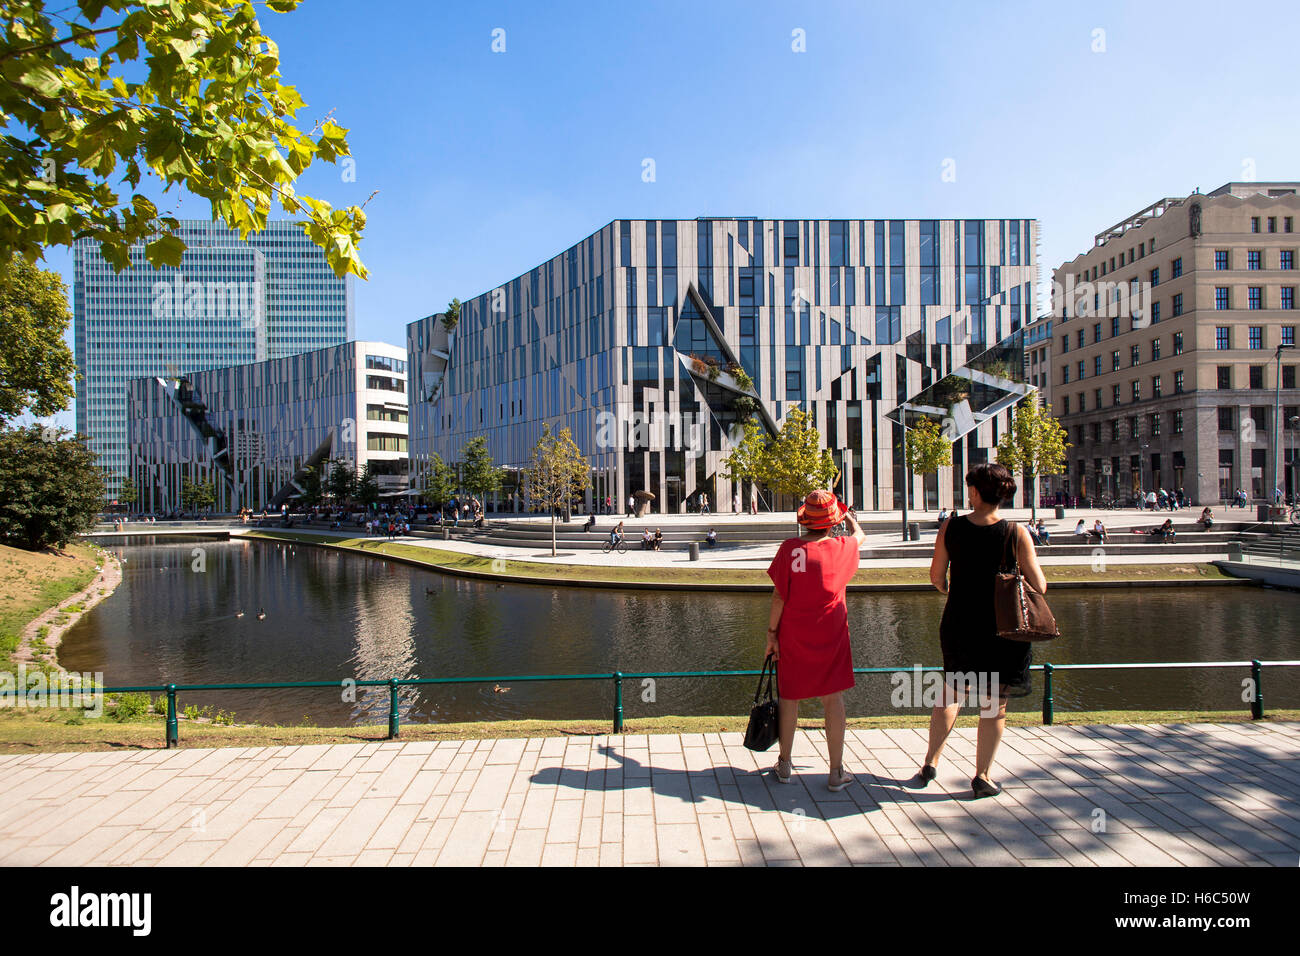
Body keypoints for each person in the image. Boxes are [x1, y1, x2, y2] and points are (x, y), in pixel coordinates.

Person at [913, 463, 1046, 799]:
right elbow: (1039, 586)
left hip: (960, 623)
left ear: (974, 492)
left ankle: (930, 761)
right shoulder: (1016, 533)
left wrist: (950, 589)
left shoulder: (951, 527)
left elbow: (936, 577)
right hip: (1003, 629)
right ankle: (982, 776)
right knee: (994, 704)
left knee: (951, 694)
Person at [765, 490, 866, 792]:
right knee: (832, 698)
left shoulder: (790, 549)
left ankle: (784, 764)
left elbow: (779, 596)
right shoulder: (841, 546)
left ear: (805, 520)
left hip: (794, 632)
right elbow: (860, 535)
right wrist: (847, 515)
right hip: (832, 631)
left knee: (789, 697)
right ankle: (836, 771)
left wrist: (771, 634)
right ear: (832, 522)